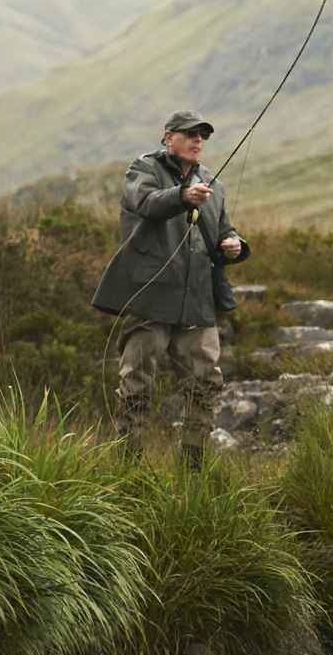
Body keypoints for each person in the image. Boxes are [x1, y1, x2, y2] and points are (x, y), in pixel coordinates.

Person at [90, 109, 252, 465]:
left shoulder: (213, 183)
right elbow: (145, 203)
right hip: (150, 296)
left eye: (202, 136)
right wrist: (182, 196)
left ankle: (192, 466)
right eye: (189, 133)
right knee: (137, 385)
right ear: (168, 137)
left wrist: (235, 244)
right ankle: (127, 466)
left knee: (205, 383)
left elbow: (223, 229)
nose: (198, 140)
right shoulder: (143, 170)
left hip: (196, 301)